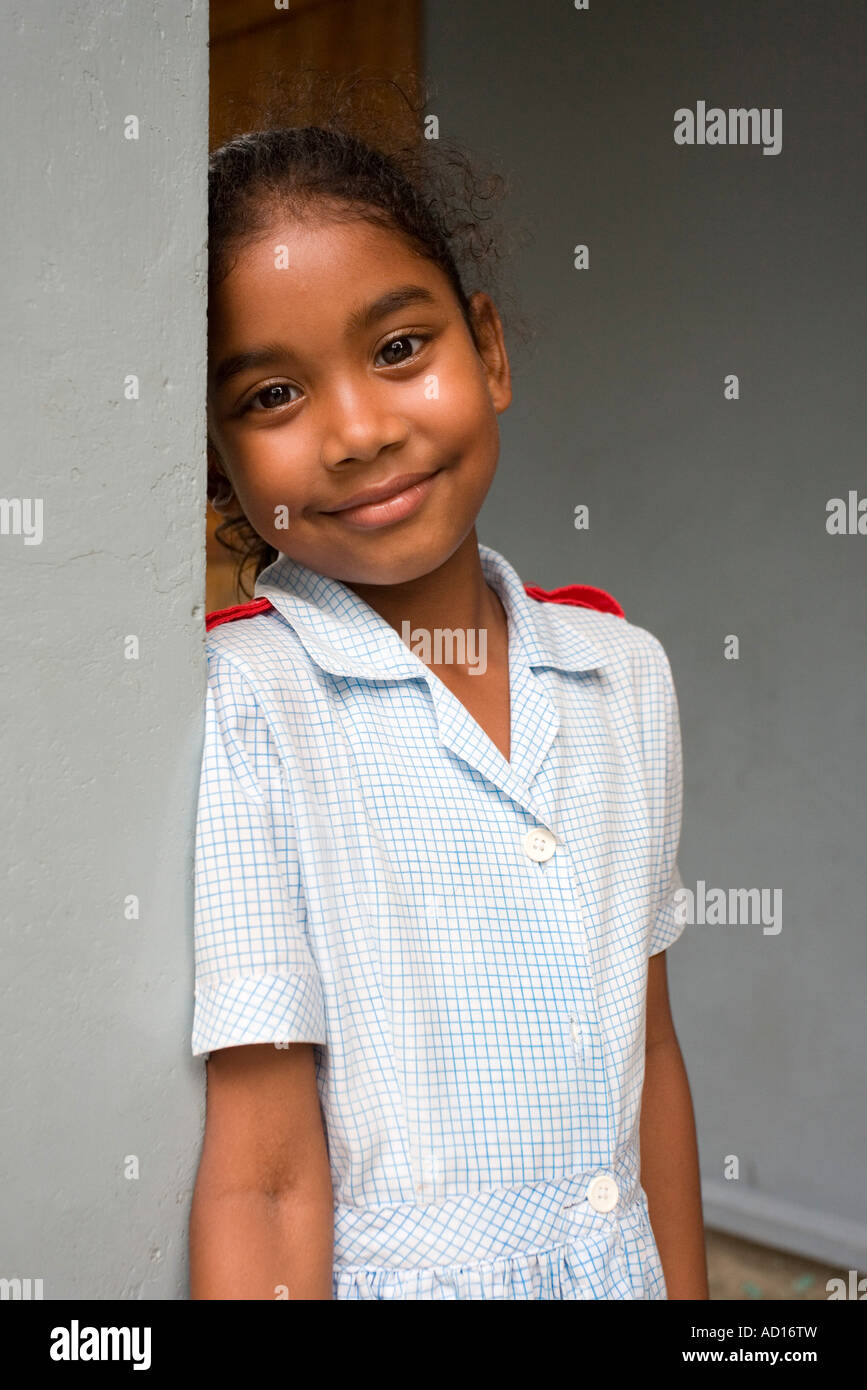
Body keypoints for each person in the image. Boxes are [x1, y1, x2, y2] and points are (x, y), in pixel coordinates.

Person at [189, 115, 709, 1300]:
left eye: (400, 347)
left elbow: (654, 1060)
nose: (361, 430)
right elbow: (264, 1172)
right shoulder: (248, 703)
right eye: (275, 393)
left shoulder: (625, 673)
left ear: (489, 350)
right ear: (219, 463)